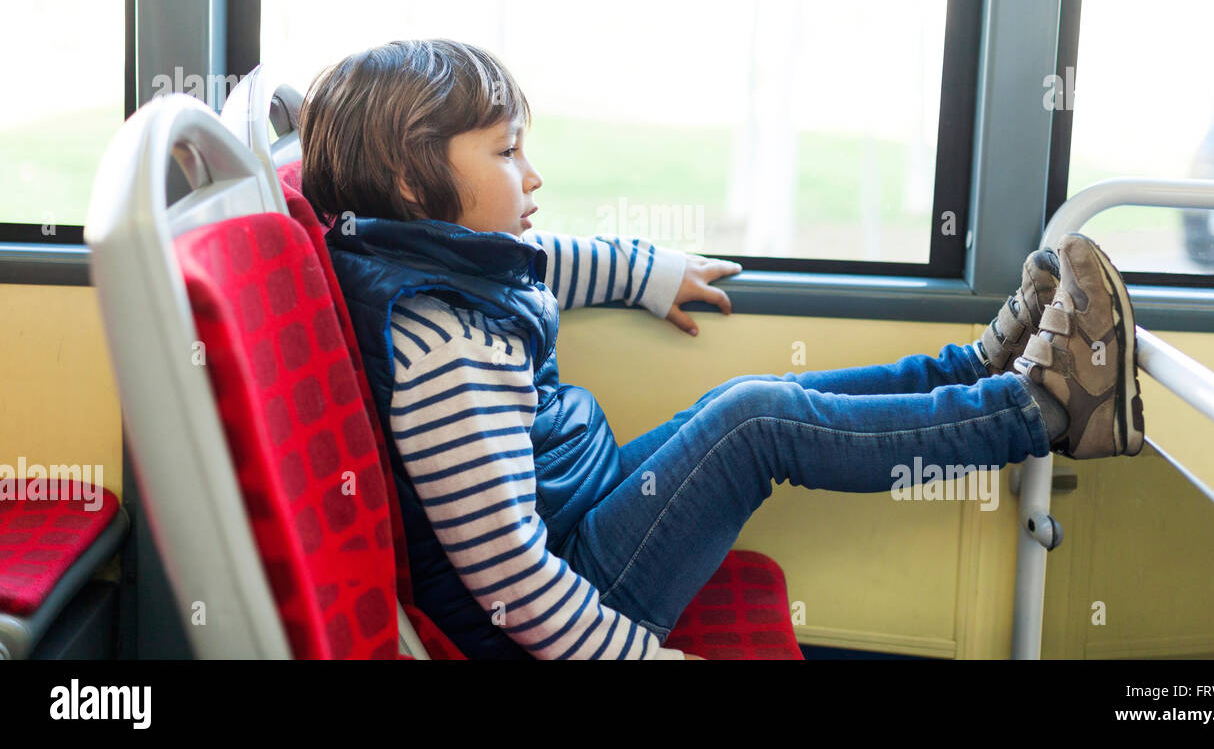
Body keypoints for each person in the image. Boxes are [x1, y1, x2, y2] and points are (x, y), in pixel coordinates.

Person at [298, 38, 1145, 661]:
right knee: (750, 421)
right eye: (508, 151)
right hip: (565, 601)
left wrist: (648, 274)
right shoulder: (436, 347)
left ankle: (974, 373)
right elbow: (510, 582)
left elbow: (543, 262)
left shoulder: (431, 256)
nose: (534, 176)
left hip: (587, 510)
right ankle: (1049, 409)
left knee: (737, 403)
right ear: (414, 181)